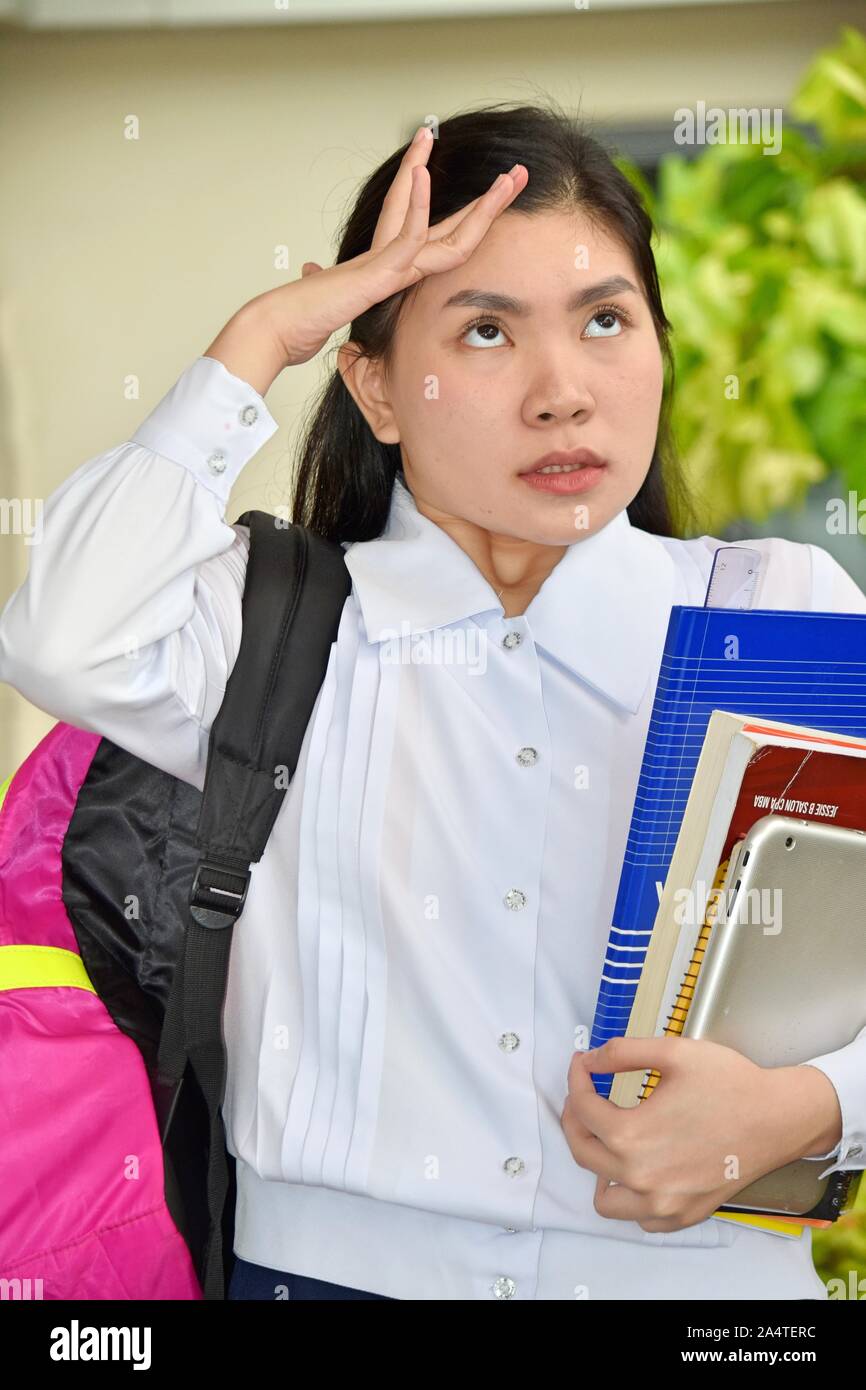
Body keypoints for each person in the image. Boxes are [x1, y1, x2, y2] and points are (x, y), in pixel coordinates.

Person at [2, 102, 865, 1302]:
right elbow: (59, 631)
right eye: (483, 332)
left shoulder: (776, 604)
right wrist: (263, 334)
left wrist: (812, 1106)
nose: (563, 391)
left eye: (605, 320)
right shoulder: (266, 623)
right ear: (378, 389)